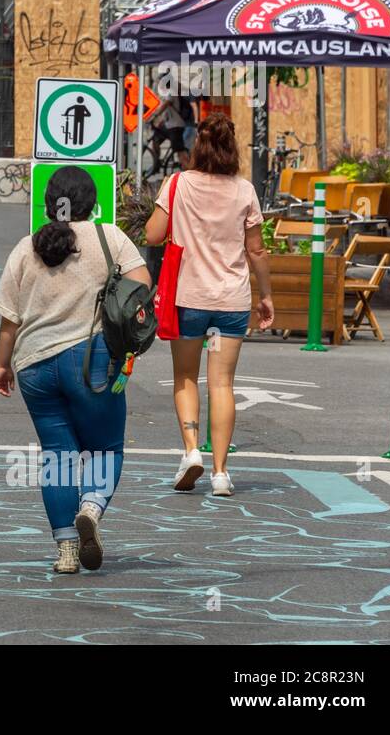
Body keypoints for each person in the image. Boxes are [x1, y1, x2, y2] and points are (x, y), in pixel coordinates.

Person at [0, 166, 151, 574]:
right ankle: (92, 509)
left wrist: (2, 365)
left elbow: (8, 318)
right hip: (91, 361)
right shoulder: (107, 236)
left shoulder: (26, 247)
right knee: (106, 446)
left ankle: (65, 552)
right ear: (91, 202)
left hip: (34, 367)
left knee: (57, 457)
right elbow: (142, 284)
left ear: (49, 203)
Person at [145, 113, 274, 497]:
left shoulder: (177, 183)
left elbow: (153, 235)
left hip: (189, 301)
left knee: (186, 377)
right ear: (233, 149)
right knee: (222, 383)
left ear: (197, 147)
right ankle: (220, 473)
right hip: (231, 303)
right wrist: (265, 295)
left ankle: (190, 451)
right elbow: (257, 250)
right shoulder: (244, 190)